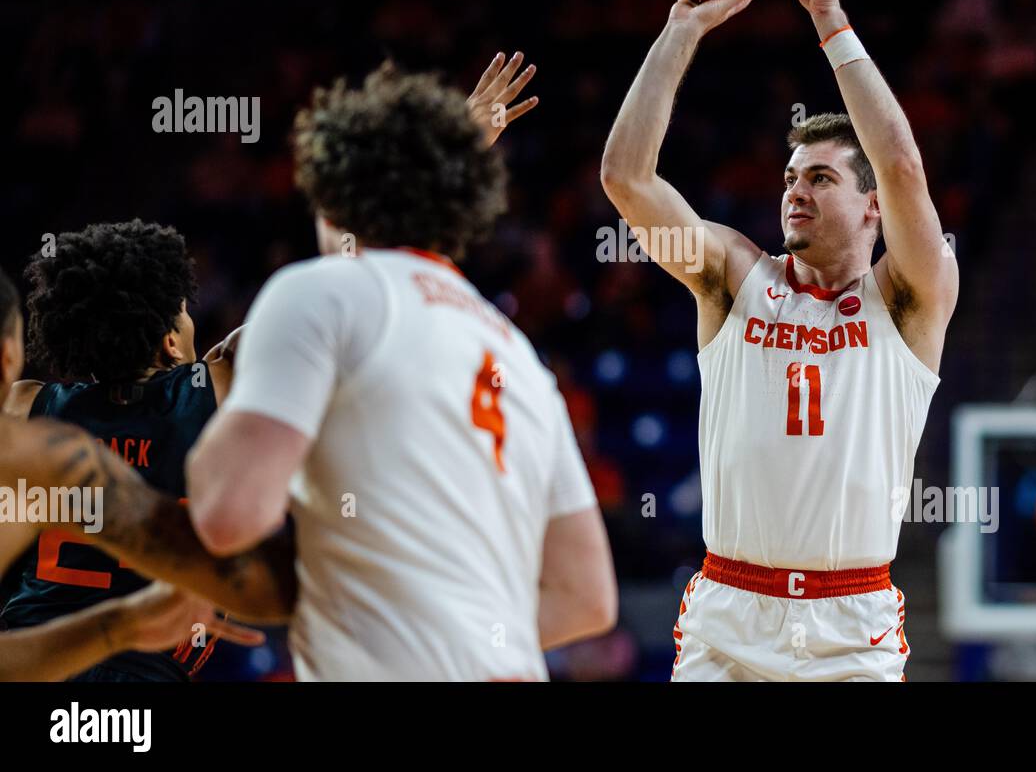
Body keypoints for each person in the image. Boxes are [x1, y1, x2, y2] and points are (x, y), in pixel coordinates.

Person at [600, 0, 958, 681]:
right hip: (731, 609)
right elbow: (625, 179)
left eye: (820, 177)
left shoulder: (908, 300)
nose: (794, 191)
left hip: (851, 622)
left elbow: (900, 165)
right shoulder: (733, 275)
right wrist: (681, 31)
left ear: (870, 207)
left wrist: (830, 24)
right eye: (790, 177)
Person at [185, 54, 618, 680]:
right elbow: (586, 598)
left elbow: (229, 514)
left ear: (329, 194)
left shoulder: (319, 291)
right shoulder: (523, 358)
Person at [0, 267, 293, 681]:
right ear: (171, 342)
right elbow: (295, 321)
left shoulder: (26, 405)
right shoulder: (216, 387)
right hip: (144, 669)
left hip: (35, 657)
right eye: (185, 313)